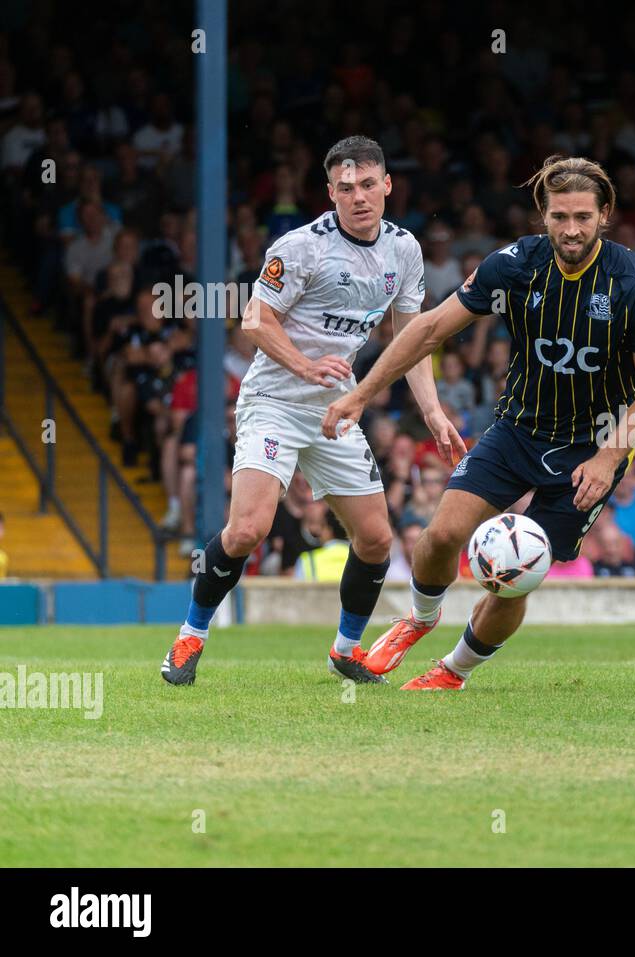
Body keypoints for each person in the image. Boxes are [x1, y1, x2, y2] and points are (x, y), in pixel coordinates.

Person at [323, 155, 635, 692]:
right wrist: (361, 395)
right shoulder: (513, 265)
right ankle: (420, 618)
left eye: (584, 216)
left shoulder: (633, 285)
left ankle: (454, 671)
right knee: (441, 535)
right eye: (560, 216)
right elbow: (428, 330)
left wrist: (609, 459)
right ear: (544, 214)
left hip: (590, 448)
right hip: (517, 429)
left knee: (516, 575)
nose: (572, 229)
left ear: (605, 215)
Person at [162, 136, 442, 687]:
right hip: (274, 402)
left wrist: (432, 412)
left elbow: (411, 339)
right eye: (346, 188)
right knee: (247, 530)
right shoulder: (301, 247)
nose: (358, 197)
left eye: (368, 185)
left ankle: (345, 650)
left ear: (387, 185)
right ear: (330, 191)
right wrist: (305, 365)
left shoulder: (404, 249)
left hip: (337, 410)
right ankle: (190, 635)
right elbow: (255, 319)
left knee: (376, 540)